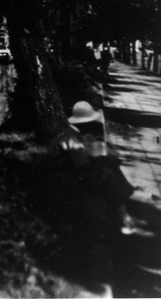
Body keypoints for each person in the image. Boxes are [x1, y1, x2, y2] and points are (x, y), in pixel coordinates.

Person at [51, 101, 152, 237]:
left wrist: (106, 161)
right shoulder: (71, 139)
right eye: (89, 121)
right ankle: (125, 220)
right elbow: (83, 166)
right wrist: (102, 163)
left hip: (70, 170)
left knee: (110, 163)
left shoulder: (71, 133)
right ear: (83, 123)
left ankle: (126, 214)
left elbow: (81, 161)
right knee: (108, 174)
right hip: (66, 179)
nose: (91, 125)